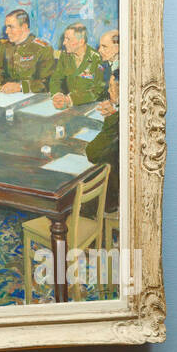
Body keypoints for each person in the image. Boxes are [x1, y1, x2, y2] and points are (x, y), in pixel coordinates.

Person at [0, 9, 54, 93]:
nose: (6, 31)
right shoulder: (6, 46)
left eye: (11, 27)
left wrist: (20, 87)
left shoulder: (42, 48)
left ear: (24, 27)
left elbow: (46, 83)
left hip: (31, 98)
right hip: (6, 95)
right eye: (6, 27)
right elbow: (0, 70)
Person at [84, 71, 121, 216]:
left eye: (112, 88)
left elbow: (92, 153)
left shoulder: (117, 121)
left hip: (111, 193)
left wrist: (112, 116)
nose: (109, 91)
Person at [49, 23, 107, 108]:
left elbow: (98, 91)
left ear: (81, 42)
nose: (64, 43)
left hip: (91, 107)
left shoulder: (97, 58)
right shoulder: (65, 56)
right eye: (64, 39)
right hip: (69, 106)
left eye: (68, 39)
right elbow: (56, 79)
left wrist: (71, 99)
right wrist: (57, 94)